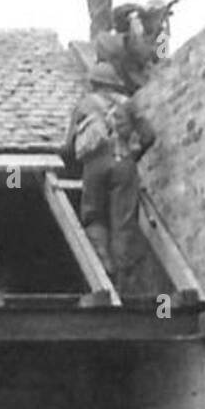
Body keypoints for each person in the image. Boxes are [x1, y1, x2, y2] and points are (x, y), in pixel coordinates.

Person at [64, 62, 155, 282]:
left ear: (94, 83)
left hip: (95, 166)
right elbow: (149, 136)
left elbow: (68, 147)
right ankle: (123, 281)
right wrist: (133, 158)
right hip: (123, 164)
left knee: (94, 217)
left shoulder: (84, 105)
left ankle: (104, 268)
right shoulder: (129, 104)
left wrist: (78, 169)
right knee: (123, 222)